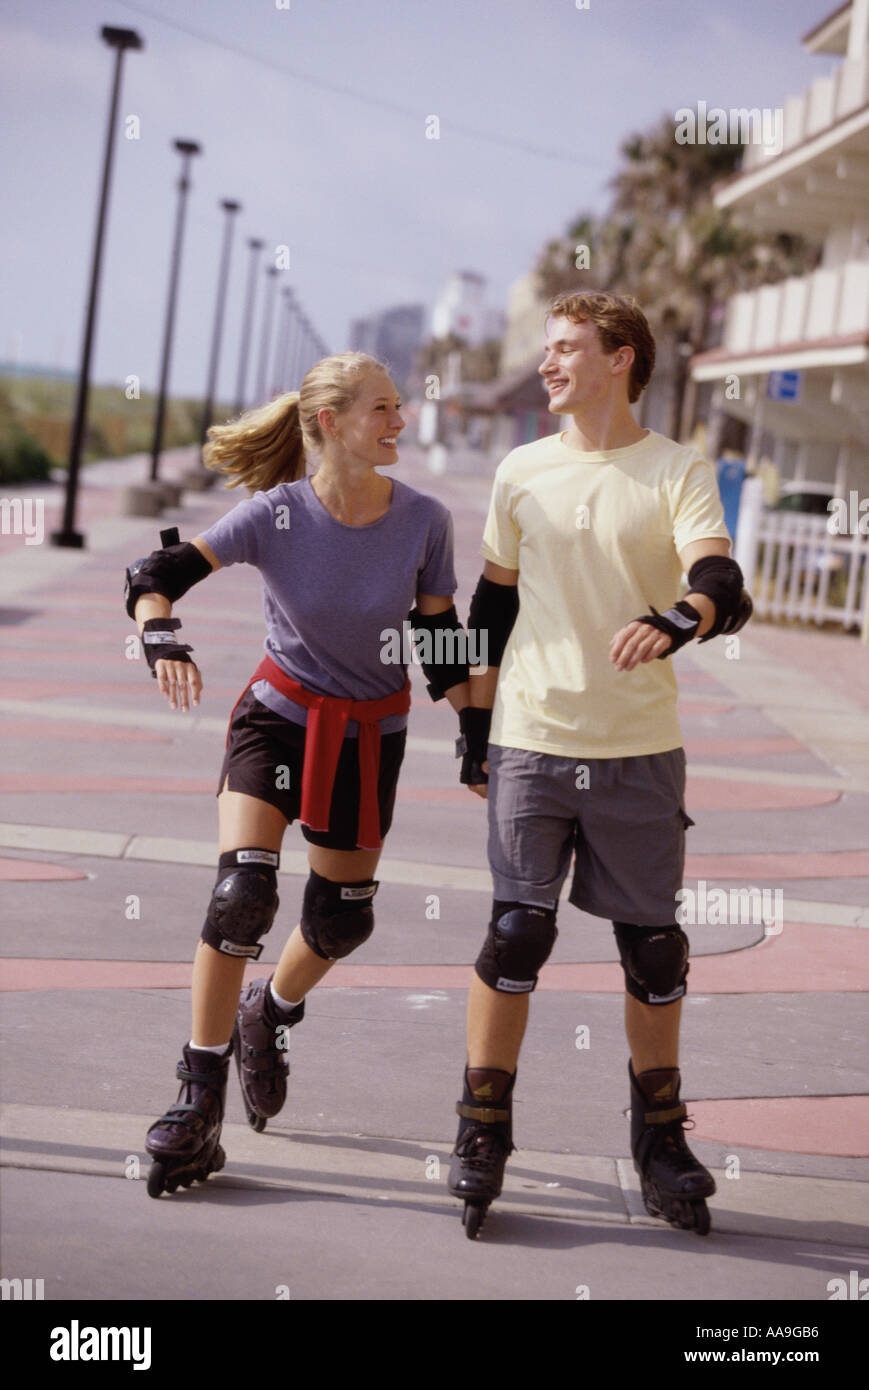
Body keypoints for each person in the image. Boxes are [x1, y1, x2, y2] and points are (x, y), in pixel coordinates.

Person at [125, 352, 471, 1197]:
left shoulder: (424, 520)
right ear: (330, 421)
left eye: (398, 407)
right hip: (276, 718)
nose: (399, 421)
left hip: (368, 733)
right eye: (382, 408)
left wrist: (482, 728)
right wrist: (161, 637)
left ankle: (268, 1010)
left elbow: (442, 636)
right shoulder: (272, 515)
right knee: (241, 893)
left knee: (342, 920)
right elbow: (155, 574)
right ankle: (197, 1096)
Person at [449, 291, 752, 1238]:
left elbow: (719, 581)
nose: (548, 363)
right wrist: (471, 729)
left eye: (568, 348)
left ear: (620, 359)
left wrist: (678, 618)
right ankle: (481, 1128)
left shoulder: (673, 469)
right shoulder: (521, 470)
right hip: (532, 739)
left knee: (654, 951)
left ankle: (659, 1138)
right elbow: (487, 610)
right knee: (514, 936)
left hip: (638, 749)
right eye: (545, 348)